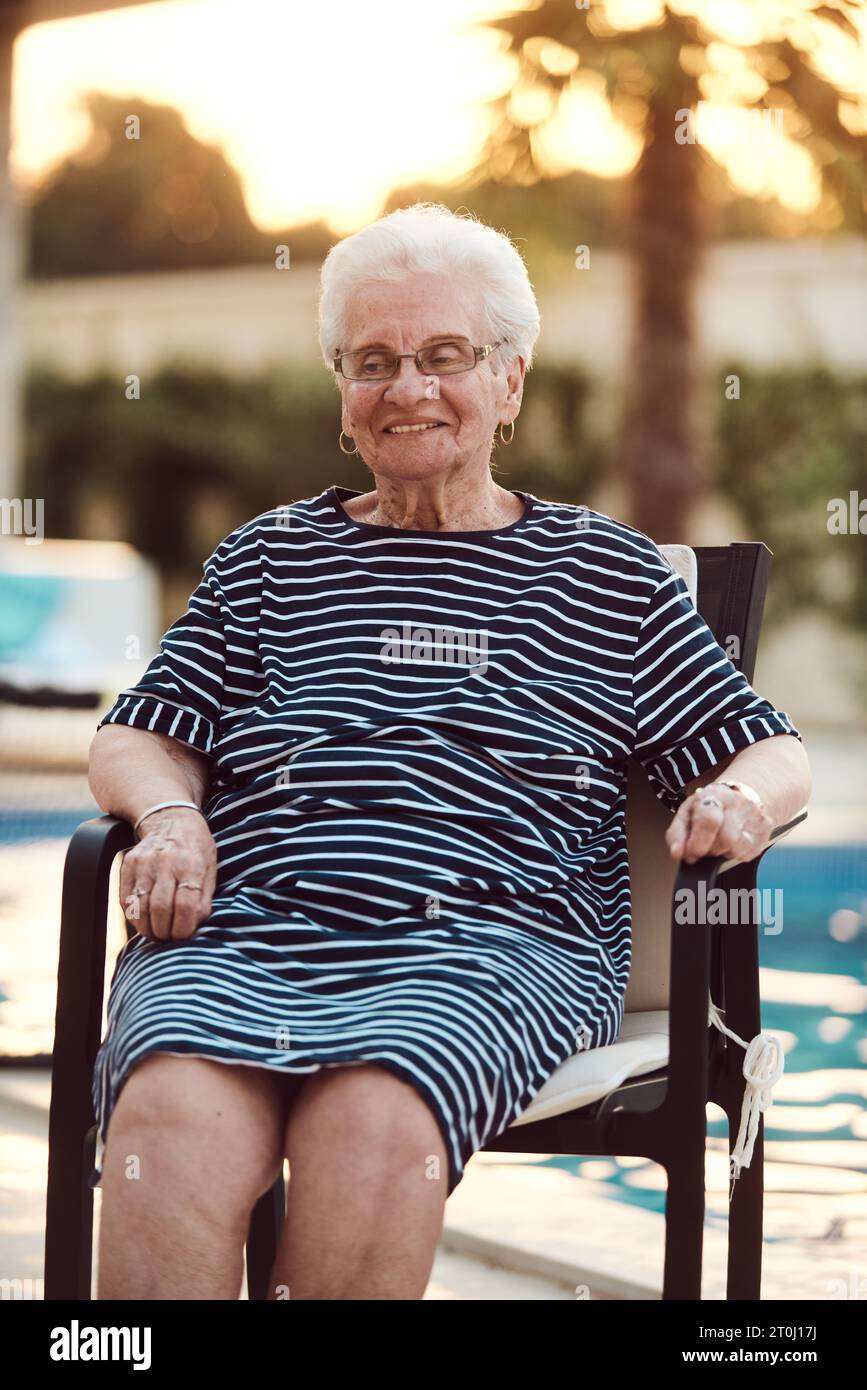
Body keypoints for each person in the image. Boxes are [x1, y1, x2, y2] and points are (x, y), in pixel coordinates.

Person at [87, 202, 811, 1300]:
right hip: (249, 933)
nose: (409, 388)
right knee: (170, 1109)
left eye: (445, 356)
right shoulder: (269, 559)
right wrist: (172, 817)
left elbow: (771, 753)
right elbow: (143, 731)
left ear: (508, 380)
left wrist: (742, 807)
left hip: (489, 941)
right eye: (374, 361)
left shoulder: (606, 577)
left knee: (377, 1108)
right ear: (343, 392)